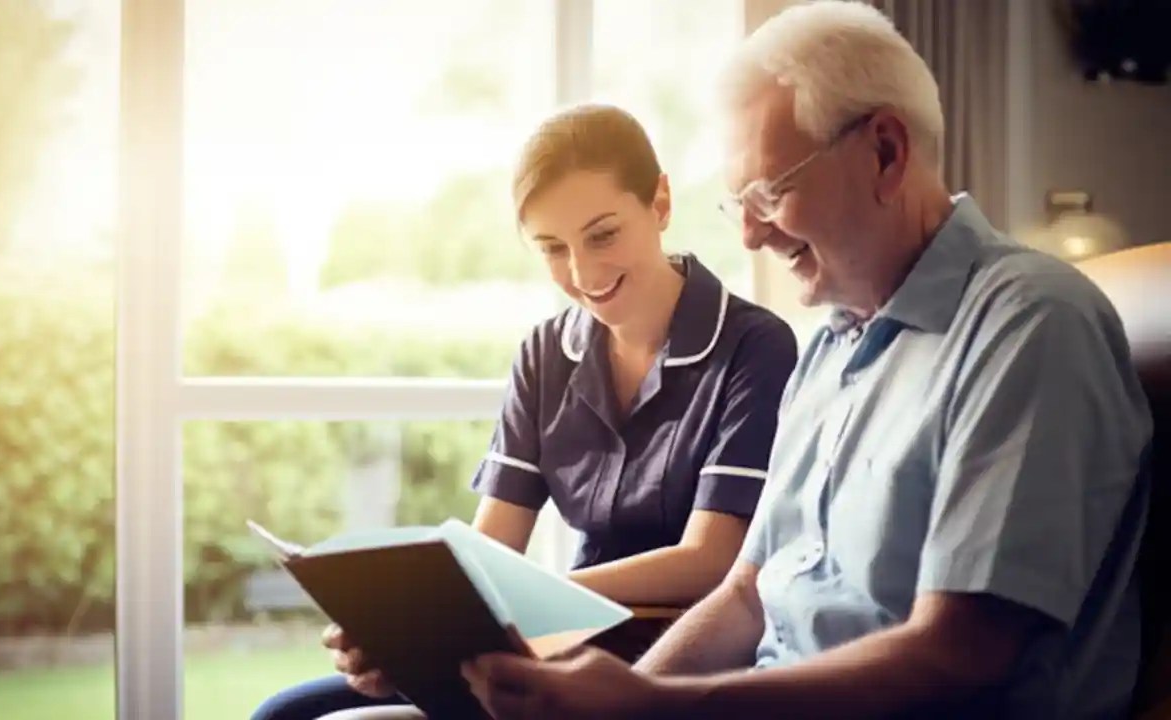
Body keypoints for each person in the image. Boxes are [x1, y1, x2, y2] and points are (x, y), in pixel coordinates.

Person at [339, 2, 1154, 718]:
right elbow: (744, 593)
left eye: (771, 194)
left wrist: (655, 708)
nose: (750, 233)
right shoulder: (830, 350)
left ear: (885, 153)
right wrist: (614, 708)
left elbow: (958, 654)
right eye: (740, 203)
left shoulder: (1028, 323)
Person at [250, 103, 798, 720]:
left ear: (661, 203)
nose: (582, 272)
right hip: (555, 645)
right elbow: (491, 549)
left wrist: (530, 597)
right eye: (552, 248)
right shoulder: (545, 354)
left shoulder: (755, 347)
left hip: (678, 658)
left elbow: (710, 562)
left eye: (603, 235)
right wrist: (409, 638)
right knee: (287, 712)